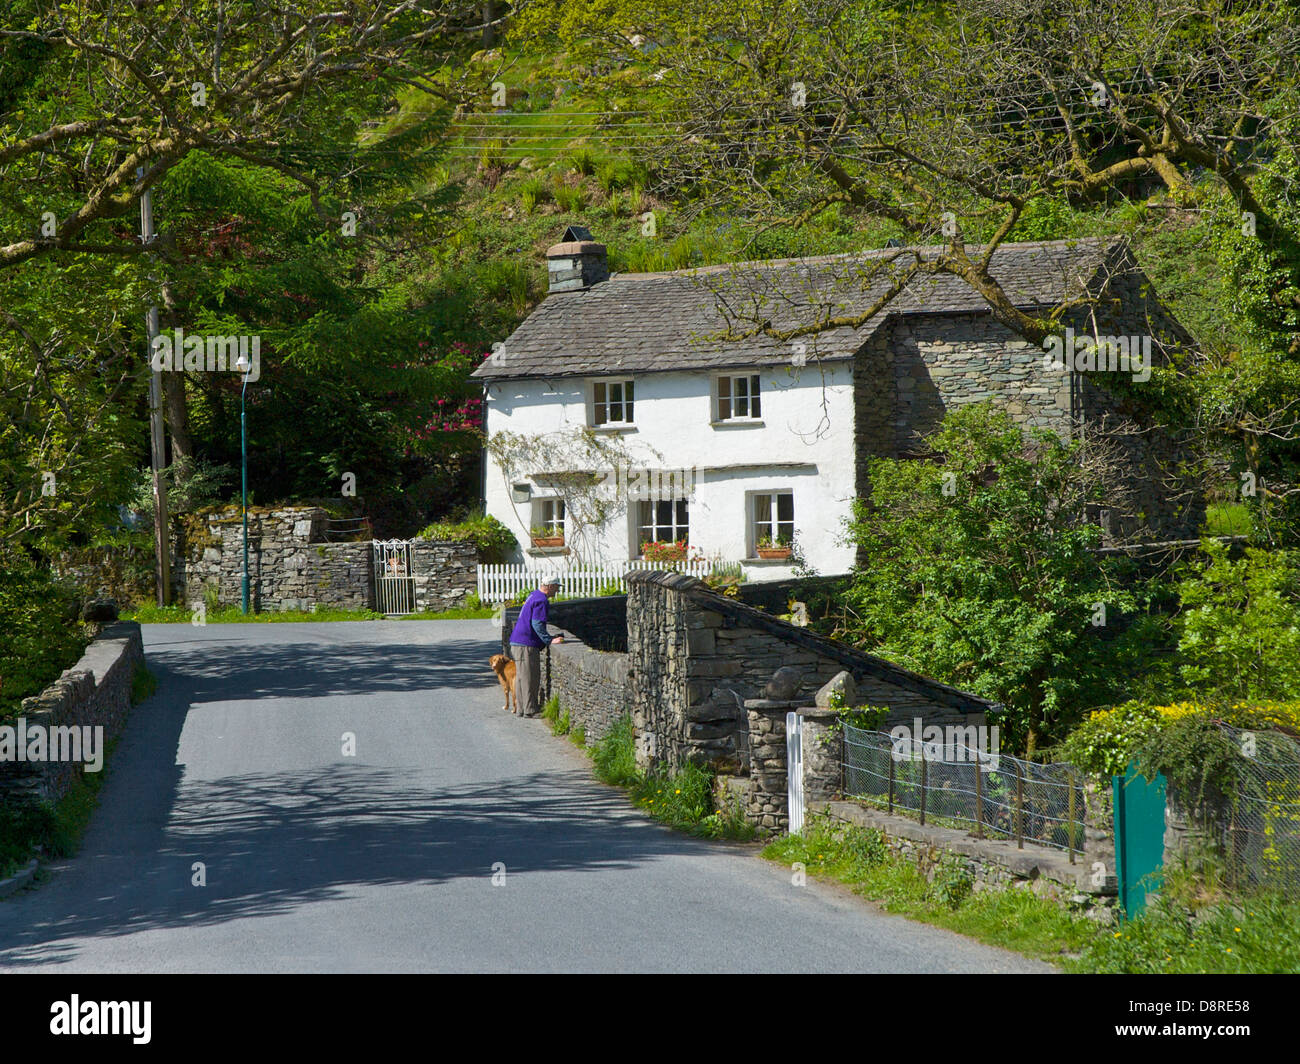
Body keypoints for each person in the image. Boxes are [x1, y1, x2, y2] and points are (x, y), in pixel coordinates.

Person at [508, 574, 564, 717]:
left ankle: (521, 708)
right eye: (556, 587)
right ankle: (530, 709)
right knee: (530, 677)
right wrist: (549, 640)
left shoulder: (534, 595)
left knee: (521, 676)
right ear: (550, 586)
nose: (557, 591)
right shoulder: (541, 600)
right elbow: (537, 623)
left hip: (517, 641)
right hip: (526, 643)